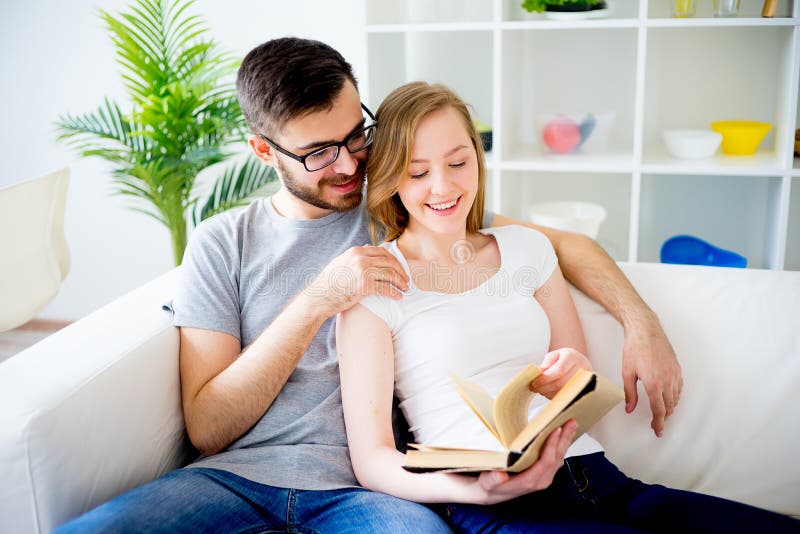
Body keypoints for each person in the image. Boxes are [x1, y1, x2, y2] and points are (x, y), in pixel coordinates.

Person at [58, 37, 679, 532]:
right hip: (234, 478)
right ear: (263, 150)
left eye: (357, 132)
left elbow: (561, 246)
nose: (352, 163)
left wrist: (641, 323)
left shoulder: (399, 204)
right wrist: (319, 301)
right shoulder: (224, 243)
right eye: (320, 153)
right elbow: (209, 425)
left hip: (366, 495)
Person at [336, 80, 800, 533]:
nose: (443, 186)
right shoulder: (373, 283)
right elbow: (374, 461)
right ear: (392, 177)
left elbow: (580, 380)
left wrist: (575, 373)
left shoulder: (527, 249)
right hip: (495, 506)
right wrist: (480, 494)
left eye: (458, 162)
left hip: (596, 477)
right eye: (418, 172)